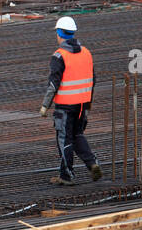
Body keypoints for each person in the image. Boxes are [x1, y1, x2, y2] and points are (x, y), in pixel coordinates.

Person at [39, 16, 102, 186]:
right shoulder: (87, 53)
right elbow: (93, 80)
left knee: (64, 139)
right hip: (83, 104)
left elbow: (53, 83)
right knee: (77, 135)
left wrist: (45, 106)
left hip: (65, 106)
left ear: (59, 33)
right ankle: (92, 163)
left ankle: (67, 175)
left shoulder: (59, 56)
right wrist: (88, 103)